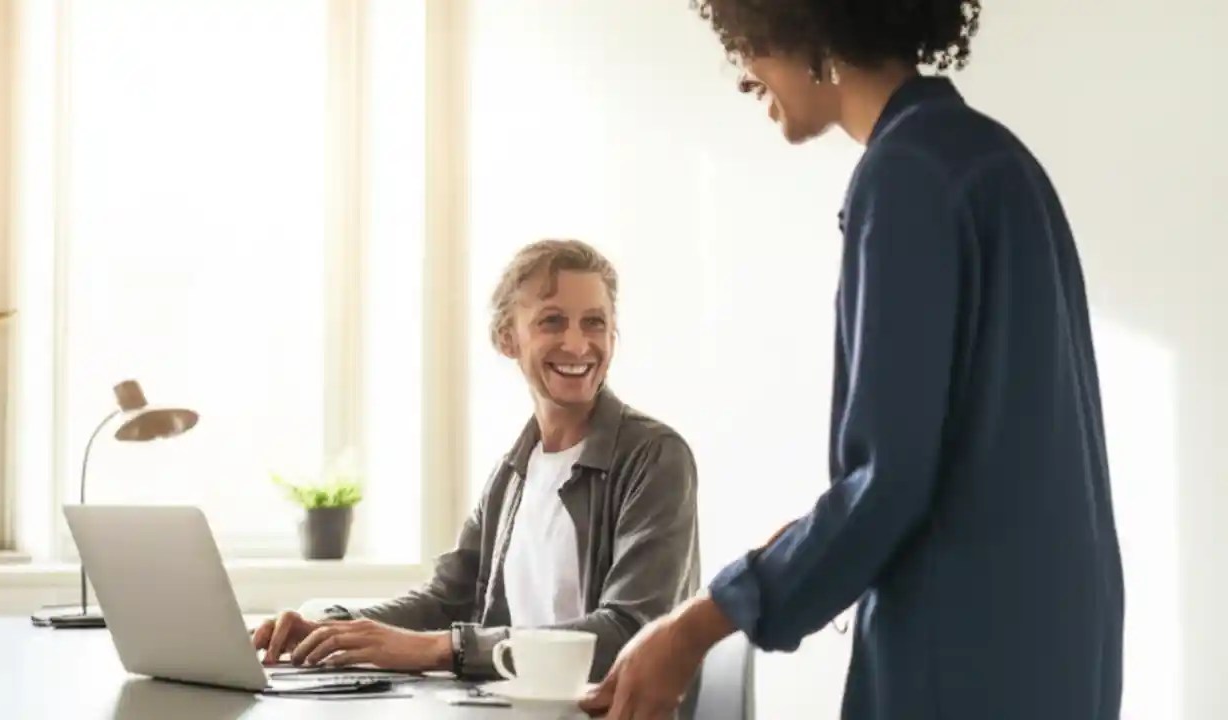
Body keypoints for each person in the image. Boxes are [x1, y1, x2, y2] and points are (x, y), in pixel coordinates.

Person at [581, 1, 1124, 719]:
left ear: (806, 29)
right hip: (1058, 643)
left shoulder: (906, 174)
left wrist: (694, 626)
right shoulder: (996, 160)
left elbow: (888, 484)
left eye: (748, 45)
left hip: (959, 653)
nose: (742, 67)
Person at [252, 239, 701, 683]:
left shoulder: (655, 458)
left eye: (595, 323)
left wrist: (443, 648)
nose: (577, 343)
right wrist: (333, 625)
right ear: (507, 339)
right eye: (552, 321)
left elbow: (632, 633)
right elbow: (446, 601)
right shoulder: (514, 473)